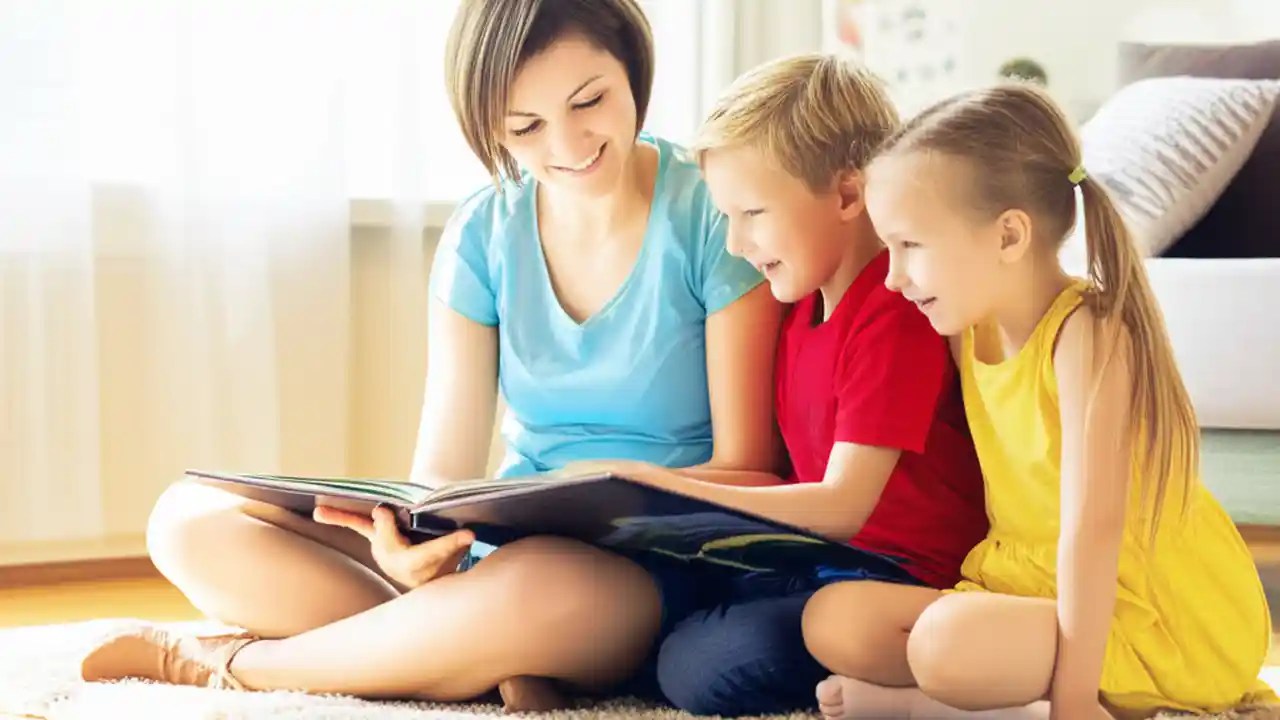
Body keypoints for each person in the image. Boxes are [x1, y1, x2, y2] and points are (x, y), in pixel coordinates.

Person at [78, 0, 781, 710]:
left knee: (534, 588)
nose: (568, 143)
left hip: (650, 575)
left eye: (589, 100)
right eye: (526, 127)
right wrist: (410, 550)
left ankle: (231, 665)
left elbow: (754, 469)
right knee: (191, 519)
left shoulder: (714, 212)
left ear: (633, 69)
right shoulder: (484, 230)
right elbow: (440, 476)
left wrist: (624, 484)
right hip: (505, 553)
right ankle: (471, 653)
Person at [801, 83, 1275, 720]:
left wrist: (1071, 703)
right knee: (833, 619)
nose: (892, 277)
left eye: (911, 246)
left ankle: (955, 708)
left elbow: (1092, 531)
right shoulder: (968, 327)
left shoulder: (1089, 332)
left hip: (1141, 601)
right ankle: (962, 700)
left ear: (1008, 237)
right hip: (1025, 581)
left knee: (945, 647)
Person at [565, 53, 988, 717]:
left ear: (848, 195)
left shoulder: (893, 312)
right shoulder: (798, 311)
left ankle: (928, 684)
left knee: (704, 666)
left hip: (898, 579)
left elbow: (843, 503)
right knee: (643, 616)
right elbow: (790, 483)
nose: (735, 243)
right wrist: (628, 490)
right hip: (824, 561)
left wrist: (660, 488)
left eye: (753, 212)